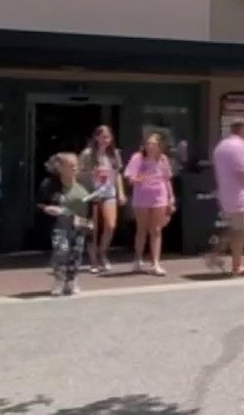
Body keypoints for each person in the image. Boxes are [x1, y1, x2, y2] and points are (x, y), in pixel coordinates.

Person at [38, 152, 99, 297]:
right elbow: (39, 203)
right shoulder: (50, 185)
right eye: (70, 166)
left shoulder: (84, 184)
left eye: (76, 165)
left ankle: (71, 280)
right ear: (60, 168)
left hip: (79, 225)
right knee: (61, 251)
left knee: (76, 253)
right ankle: (59, 280)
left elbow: (91, 204)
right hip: (59, 226)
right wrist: (47, 208)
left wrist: (91, 222)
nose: (74, 168)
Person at [211, 120, 244, 277]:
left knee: (234, 227)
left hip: (226, 193)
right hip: (240, 195)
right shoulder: (239, 147)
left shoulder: (221, 147)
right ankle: (236, 266)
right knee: (239, 232)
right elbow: (242, 172)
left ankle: (215, 255)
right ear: (242, 129)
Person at [125, 132, 176, 275]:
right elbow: (130, 178)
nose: (150, 146)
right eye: (148, 143)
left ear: (160, 146)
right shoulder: (138, 157)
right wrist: (137, 179)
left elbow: (167, 180)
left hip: (159, 197)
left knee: (157, 230)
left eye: (154, 143)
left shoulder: (163, 159)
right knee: (141, 229)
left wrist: (171, 198)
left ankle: (155, 263)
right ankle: (138, 260)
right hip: (142, 197)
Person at [78, 126, 125, 274]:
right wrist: (90, 173)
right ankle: (93, 260)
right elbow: (78, 171)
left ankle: (102, 252)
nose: (105, 140)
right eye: (102, 136)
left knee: (110, 225)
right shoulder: (87, 154)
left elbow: (117, 174)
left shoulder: (114, 154)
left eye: (108, 137)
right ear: (96, 137)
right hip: (92, 192)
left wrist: (121, 193)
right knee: (94, 228)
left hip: (109, 192)